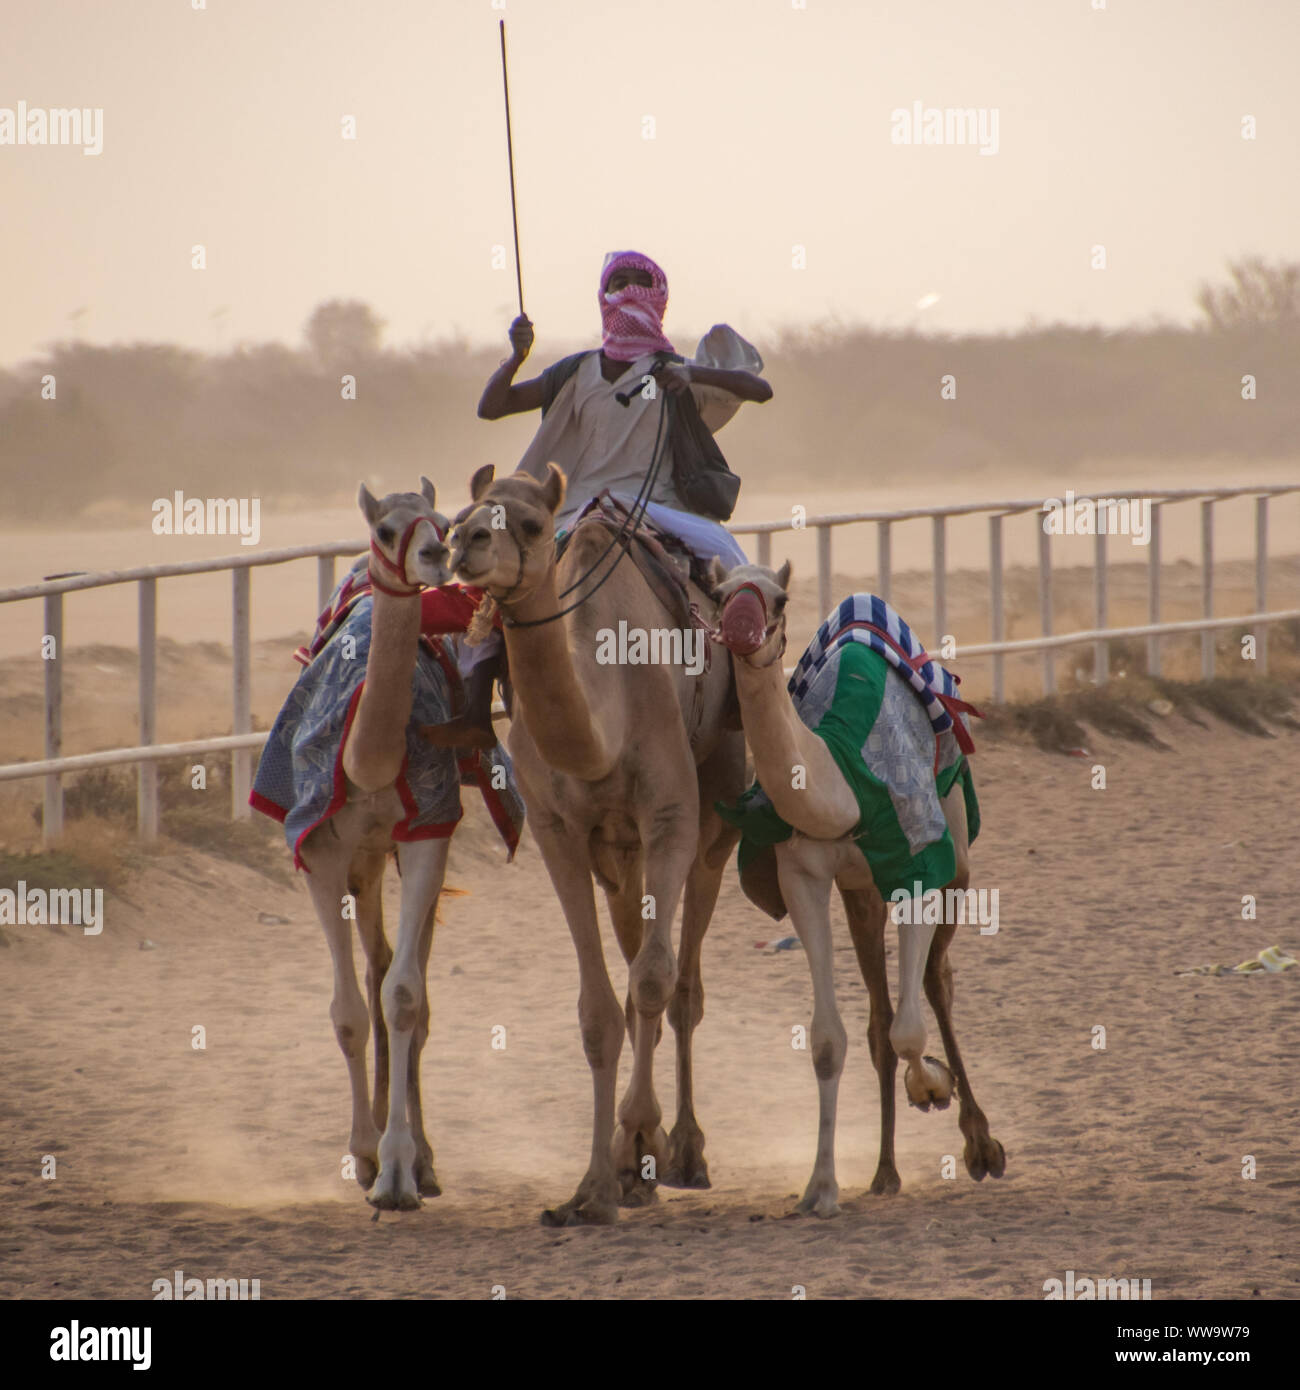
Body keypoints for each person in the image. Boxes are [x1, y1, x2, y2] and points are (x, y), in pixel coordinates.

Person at [477, 250, 772, 567]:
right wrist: (516, 358)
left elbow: (760, 391)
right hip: (577, 510)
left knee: (732, 563)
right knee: (501, 572)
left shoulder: (678, 372)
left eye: (641, 283)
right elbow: (492, 407)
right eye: (620, 283)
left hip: (659, 510)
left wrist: (693, 374)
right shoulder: (575, 373)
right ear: (604, 296)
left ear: (660, 298)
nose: (630, 291)